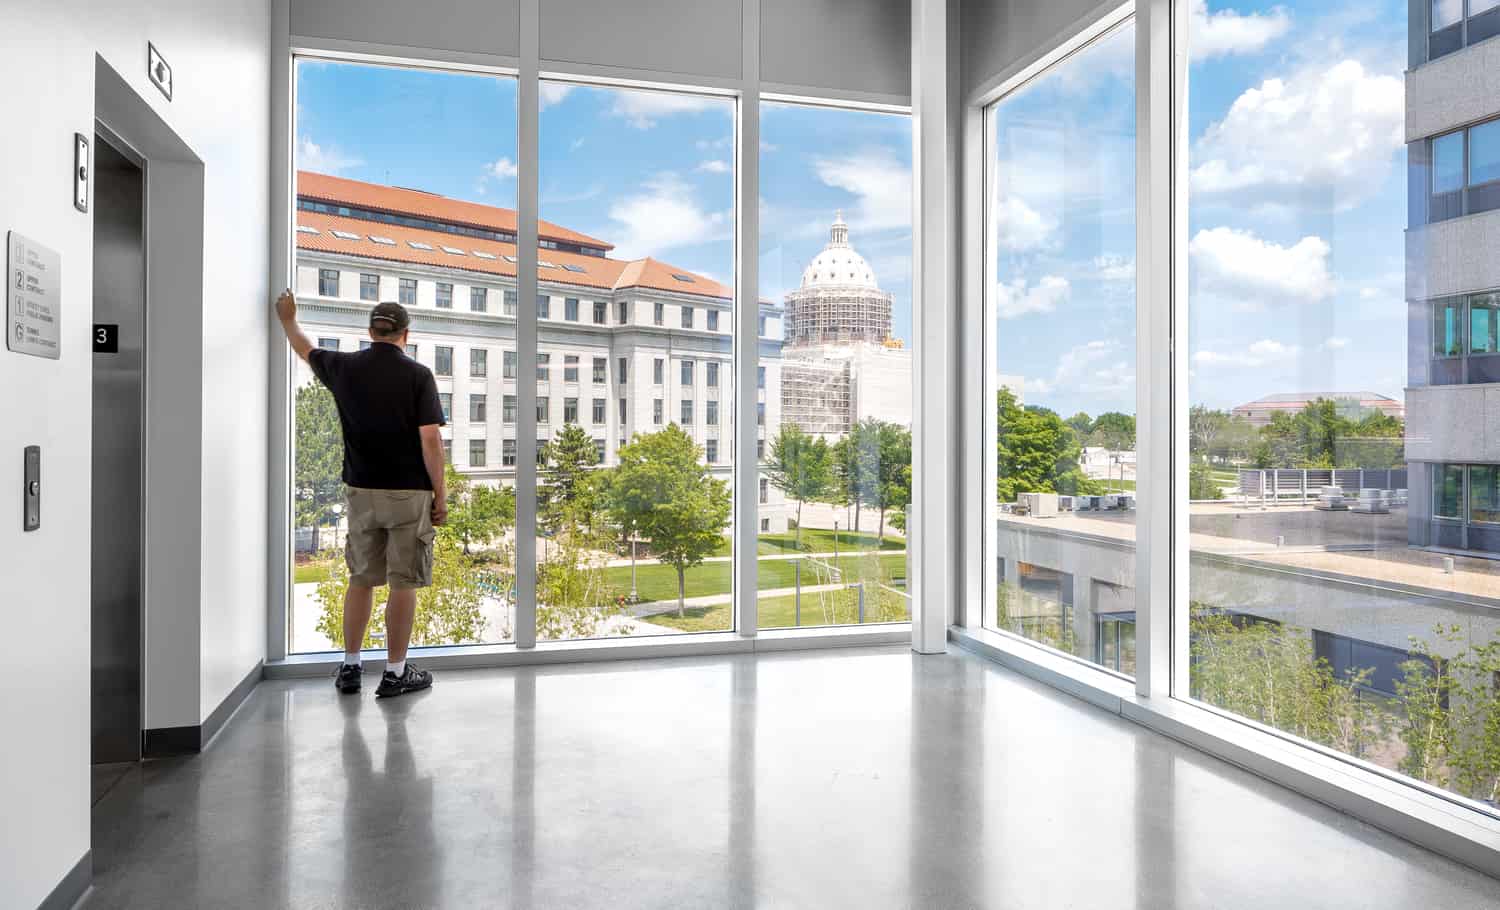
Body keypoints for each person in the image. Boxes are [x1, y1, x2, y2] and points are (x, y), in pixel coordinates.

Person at [275, 289, 446, 698]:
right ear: (406, 334)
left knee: (361, 579)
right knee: (403, 582)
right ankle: (395, 673)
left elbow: (306, 349)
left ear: (370, 331)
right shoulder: (418, 375)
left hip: (361, 490)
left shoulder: (345, 368)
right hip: (409, 492)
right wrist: (440, 495)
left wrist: (287, 319)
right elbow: (431, 442)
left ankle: (350, 667)